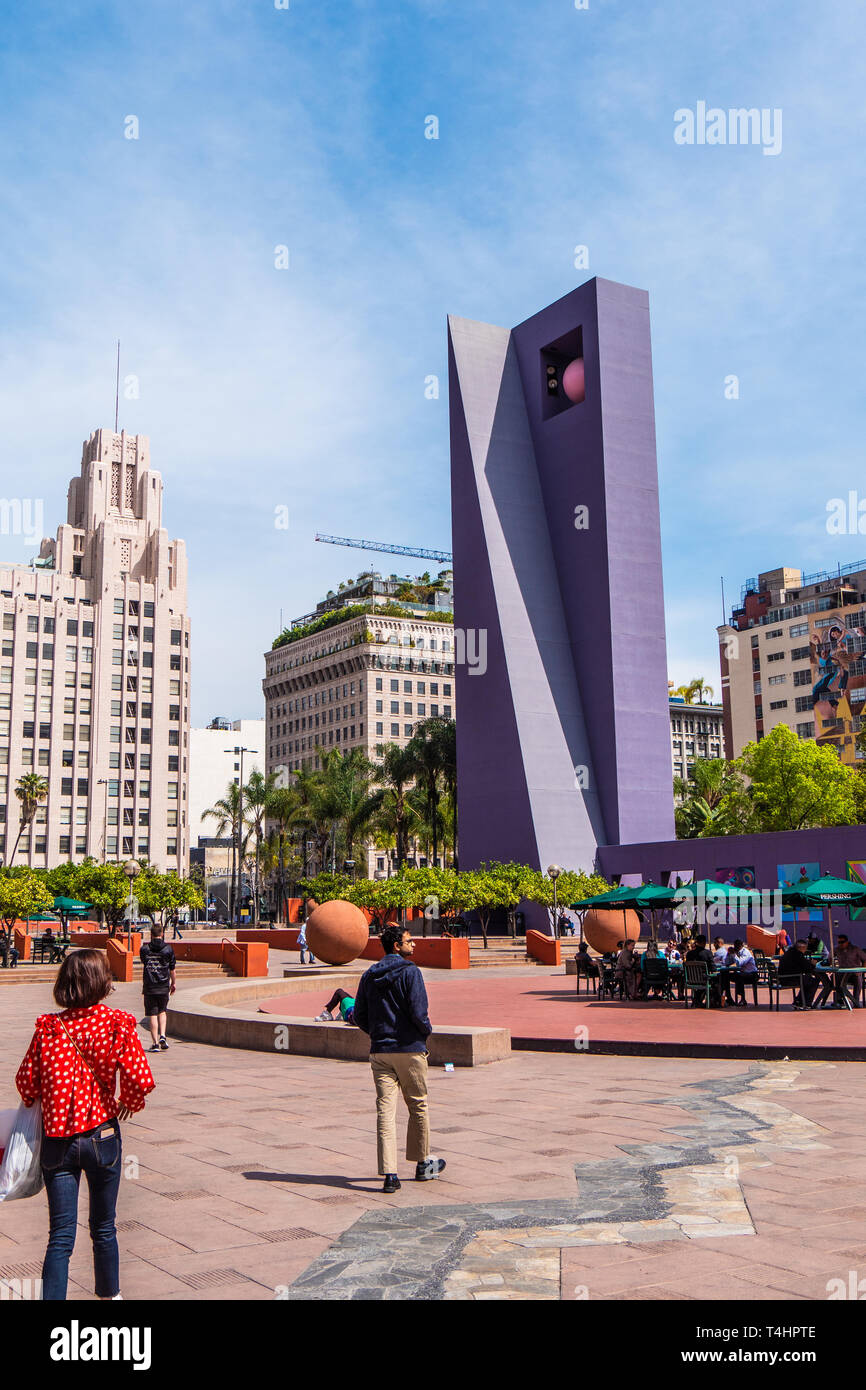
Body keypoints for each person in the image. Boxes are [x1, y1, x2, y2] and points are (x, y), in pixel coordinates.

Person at [15, 949, 155, 1301]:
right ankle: (110, 1296)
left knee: (60, 1235)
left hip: (58, 1141)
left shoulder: (49, 1028)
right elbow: (140, 1077)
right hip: (102, 1136)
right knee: (104, 1227)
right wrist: (129, 1103)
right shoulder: (117, 1023)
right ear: (102, 983)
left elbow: (26, 1085)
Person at [352, 924, 445, 1194]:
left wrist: (378, 1033)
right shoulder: (410, 972)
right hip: (410, 1049)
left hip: (380, 1051)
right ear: (397, 946)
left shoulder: (369, 975)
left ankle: (390, 1175)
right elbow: (419, 1011)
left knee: (385, 1112)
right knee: (418, 1106)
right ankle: (422, 1164)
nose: (413, 945)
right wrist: (425, 1031)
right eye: (409, 941)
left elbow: (359, 1015)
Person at [139, 924, 177, 1052]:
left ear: (151, 934)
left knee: (152, 1014)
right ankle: (163, 1036)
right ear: (162, 934)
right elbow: (172, 970)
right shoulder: (168, 949)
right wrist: (173, 983)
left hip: (150, 986)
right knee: (162, 1011)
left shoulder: (145, 949)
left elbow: (145, 962)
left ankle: (155, 1043)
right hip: (163, 985)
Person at [778, 940, 820, 1009]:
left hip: (783, 979)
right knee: (814, 981)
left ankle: (798, 1001)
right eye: (805, 948)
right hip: (790, 979)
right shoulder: (797, 955)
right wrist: (813, 964)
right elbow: (807, 968)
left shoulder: (789, 953)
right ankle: (807, 1003)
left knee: (808, 979)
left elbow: (803, 966)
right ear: (802, 948)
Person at [686, 934, 723, 1006]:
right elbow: (713, 968)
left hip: (690, 979)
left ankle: (697, 999)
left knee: (708, 980)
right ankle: (715, 1001)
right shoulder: (707, 953)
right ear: (704, 942)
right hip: (703, 979)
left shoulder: (689, 954)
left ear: (696, 942)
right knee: (717, 979)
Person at [729, 939, 757, 1006]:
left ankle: (743, 998)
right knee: (726, 976)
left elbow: (739, 963)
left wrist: (733, 954)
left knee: (739, 976)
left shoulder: (745, 952)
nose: (736, 948)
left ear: (741, 945)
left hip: (752, 974)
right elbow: (728, 962)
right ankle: (728, 996)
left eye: (737, 946)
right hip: (744, 973)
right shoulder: (737, 953)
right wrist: (729, 954)